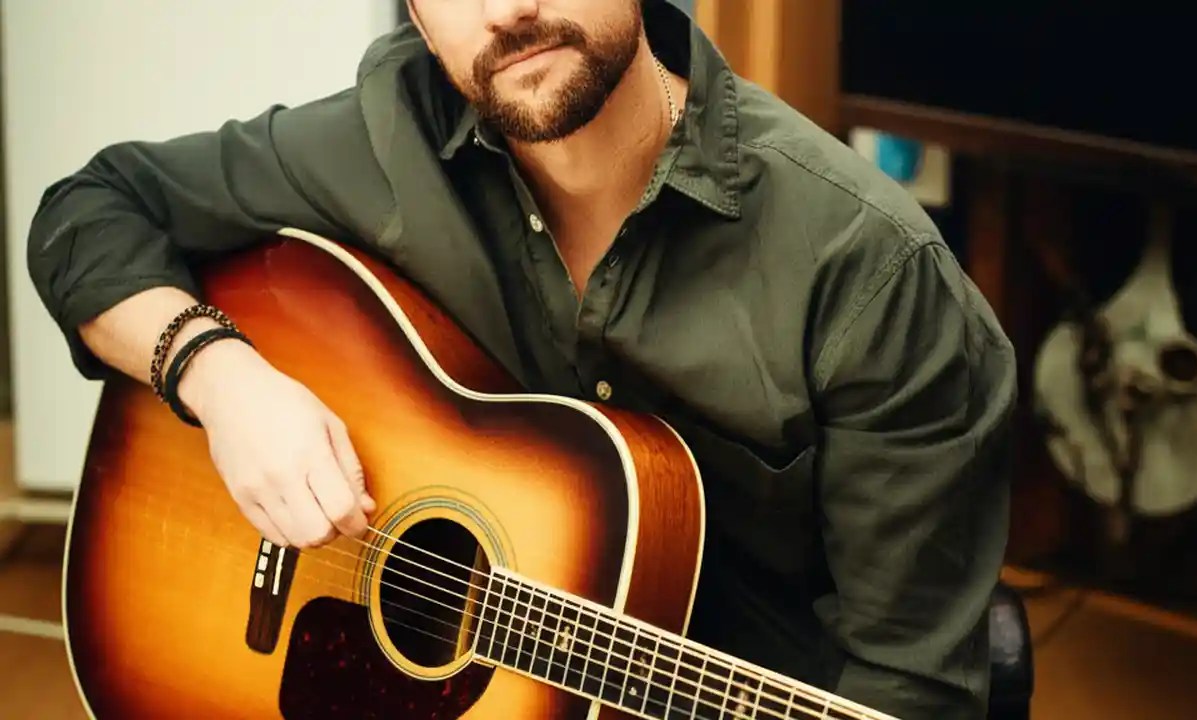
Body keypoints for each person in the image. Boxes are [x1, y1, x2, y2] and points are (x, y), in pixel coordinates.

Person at [27, 1, 1016, 717]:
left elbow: (908, 687)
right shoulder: (388, 136)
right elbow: (93, 210)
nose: (510, 9)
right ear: (416, 15)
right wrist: (221, 378)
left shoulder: (874, 273)